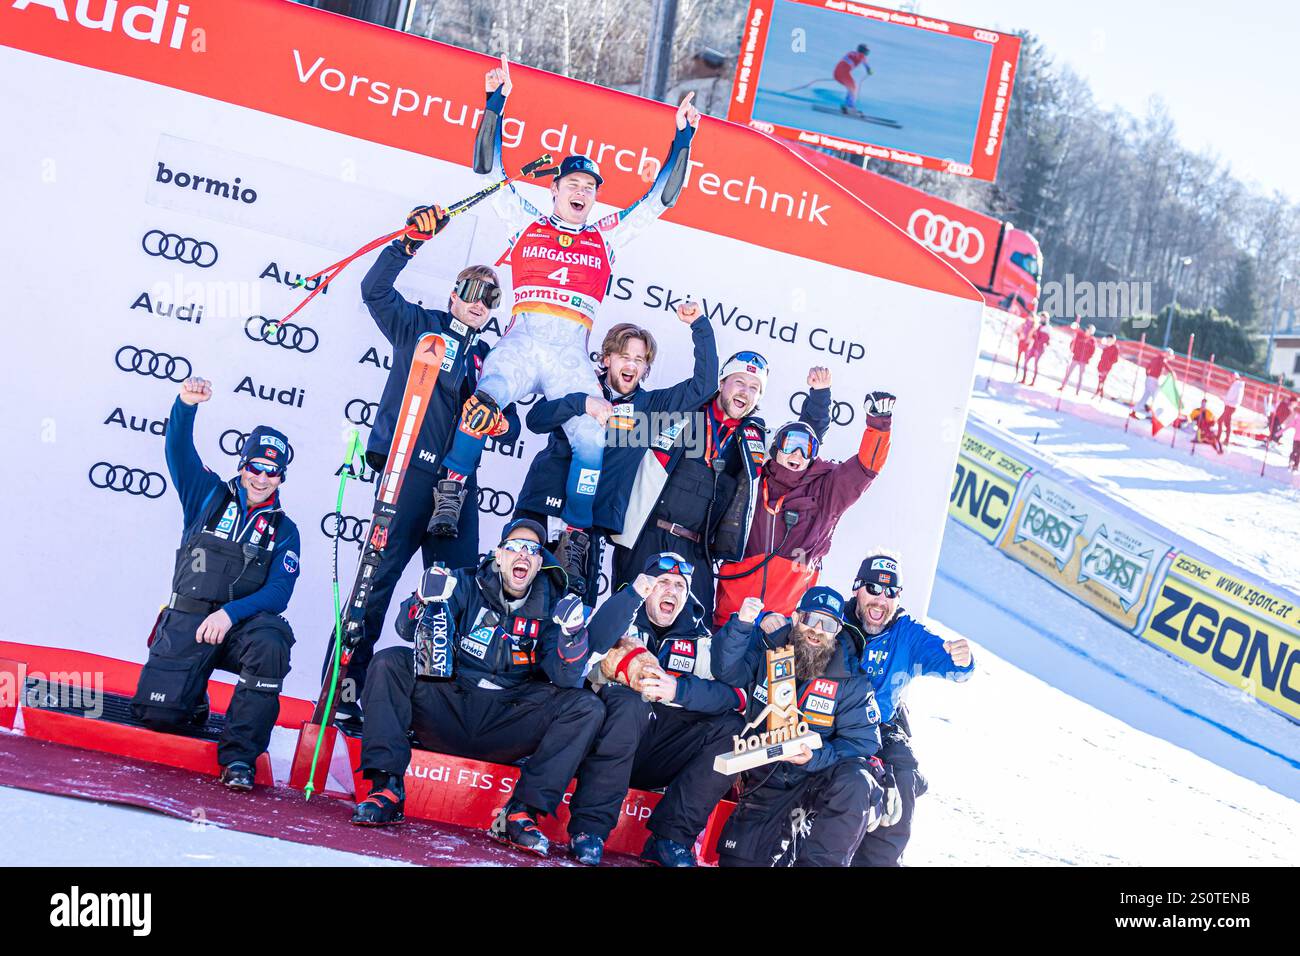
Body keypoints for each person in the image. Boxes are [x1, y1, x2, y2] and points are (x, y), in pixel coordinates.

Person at [432, 54, 702, 591]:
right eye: (573, 183)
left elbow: (660, 201)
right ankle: (452, 491)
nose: (582, 192)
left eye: (590, 186)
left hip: (570, 353)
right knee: (481, 404)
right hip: (525, 338)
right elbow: (487, 170)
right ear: (555, 189)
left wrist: (683, 141)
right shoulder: (525, 220)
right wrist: (494, 102)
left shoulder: (604, 233)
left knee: (591, 442)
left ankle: (576, 538)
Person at [321, 205, 519, 728]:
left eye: (490, 297)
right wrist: (409, 241)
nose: (480, 303)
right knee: (375, 584)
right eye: (471, 292)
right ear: (454, 295)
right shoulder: (419, 326)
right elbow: (375, 291)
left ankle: (426, 711)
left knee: (452, 593)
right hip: (407, 474)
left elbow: (512, 425)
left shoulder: (492, 359)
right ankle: (339, 697)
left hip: (456, 487)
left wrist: (500, 425)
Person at [350, 518, 600, 857]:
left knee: (586, 706)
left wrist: (572, 637)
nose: (522, 556)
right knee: (391, 661)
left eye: (532, 550)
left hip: (507, 719)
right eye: (513, 547)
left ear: (540, 562)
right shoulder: (465, 583)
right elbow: (407, 631)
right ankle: (387, 790)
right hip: (450, 704)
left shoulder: (553, 604)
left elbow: (566, 678)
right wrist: (421, 599)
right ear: (498, 556)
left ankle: (521, 814)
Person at [130, 377, 300, 791]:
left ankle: (240, 757)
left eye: (272, 472)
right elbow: (178, 451)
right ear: (242, 465)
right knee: (158, 716)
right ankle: (192, 700)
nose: (261, 479)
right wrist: (185, 405)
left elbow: (279, 592)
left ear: (281, 477)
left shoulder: (285, 529)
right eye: (255, 467)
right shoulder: (206, 494)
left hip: (239, 629)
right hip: (189, 619)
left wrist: (230, 614)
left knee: (273, 640)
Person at [514, 301, 718, 600]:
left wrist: (700, 325)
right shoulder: (579, 385)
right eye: (624, 356)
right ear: (607, 358)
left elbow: (704, 386)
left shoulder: (650, 410)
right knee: (514, 596)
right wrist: (582, 403)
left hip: (588, 527)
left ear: (647, 368)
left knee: (572, 617)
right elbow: (536, 420)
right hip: (541, 509)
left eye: (639, 359)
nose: (632, 365)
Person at [611, 353, 828, 620]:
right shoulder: (686, 410)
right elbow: (619, 435)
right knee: (626, 624)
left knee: (693, 632)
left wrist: (819, 398)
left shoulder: (753, 439)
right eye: (739, 382)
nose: (745, 392)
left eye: (754, 388)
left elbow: (798, 442)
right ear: (722, 382)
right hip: (649, 537)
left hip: (698, 551)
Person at [564, 553, 746, 866]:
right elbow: (587, 659)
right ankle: (589, 830)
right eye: (663, 582)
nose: (671, 591)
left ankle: (671, 839)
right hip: (603, 746)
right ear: (647, 587)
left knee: (732, 731)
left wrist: (679, 690)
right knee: (627, 701)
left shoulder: (701, 639)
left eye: (679, 585)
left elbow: (734, 697)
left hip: (659, 752)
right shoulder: (621, 619)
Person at [711, 587, 891, 867]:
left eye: (828, 624)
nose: (818, 630)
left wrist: (815, 756)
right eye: (812, 619)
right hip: (769, 779)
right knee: (737, 861)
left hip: (817, 779)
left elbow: (863, 742)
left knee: (857, 781)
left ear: (837, 631)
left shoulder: (850, 677)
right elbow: (725, 670)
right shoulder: (768, 647)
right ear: (796, 618)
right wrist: (742, 624)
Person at [712, 371, 895, 627]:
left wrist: (879, 424)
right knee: (718, 665)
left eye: (806, 447)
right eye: (790, 445)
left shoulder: (826, 490)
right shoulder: (751, 479)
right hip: (732, 616)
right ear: (774, 449)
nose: (797, 452)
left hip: (784, 627)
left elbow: (866, 468)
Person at [845, 551, 975, 867]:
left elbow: (956, 669)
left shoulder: (908, 634)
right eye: (873, 588)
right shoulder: (835, 618)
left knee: (903, 780)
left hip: (883, 727)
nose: (881, 599)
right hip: (834, 722)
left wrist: (963, 659)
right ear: (857, 588)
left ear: (899, 597)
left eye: (891, 592)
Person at [833, 43, 873, 114]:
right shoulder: (861, 55)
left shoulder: (851, 53)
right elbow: (864, 62)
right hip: (843, 73)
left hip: (836, 73)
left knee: (851, 88)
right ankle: (849, 107)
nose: (867, 53)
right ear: (863, 51)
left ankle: (846, 106)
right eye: (866, 51)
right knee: (852, 87)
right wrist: (869, 69)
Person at [1059, 322, 1096, 395]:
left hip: (1084, 361)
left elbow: (1092, 351)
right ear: (1087, 329)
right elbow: (1073, 343)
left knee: (1081, 376)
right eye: (1089, 329)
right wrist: (1072, 350)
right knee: (1069, 372)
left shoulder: (1092, 340)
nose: (1090, 331)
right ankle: (1063, 386)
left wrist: (1087, 358)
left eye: (1091, 330)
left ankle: (1077, 391)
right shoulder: (1080, 335)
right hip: (1076, 357)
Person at [1135, 347, 1174, 415]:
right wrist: (1172, 372)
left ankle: (1137, 408)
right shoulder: (1162, 359)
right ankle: (1153, 413)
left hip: (1149, 378)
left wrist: (1148, 375)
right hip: (1154, 379)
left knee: (1146, 394)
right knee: (1155, 396)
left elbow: (1147, 367)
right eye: (1168, 355)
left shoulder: (1155, 358)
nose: (1169, 356)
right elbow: (1166, 366)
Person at [1019, 313, 1050, 386]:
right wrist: (1033, 335)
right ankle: (1024, 378)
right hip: (1034, 347)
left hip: (1039, 349)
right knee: (1026, 361)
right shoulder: (1039, 326)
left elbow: (1046, 340)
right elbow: (1034, 336)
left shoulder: (1047, 328)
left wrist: (1041, 342)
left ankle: (1033, 382)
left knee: (1035, 364)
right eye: (1041, 318)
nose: (1042, 319)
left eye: (1044, 318)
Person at [1218, 372, 1245, 447]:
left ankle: (1219, 438)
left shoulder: (1236, 385)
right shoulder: (1237, 385)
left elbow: (1231, 398)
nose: (1229, 379)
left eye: (1230, 377)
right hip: (1230, 406)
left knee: (1220, 421)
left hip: (1231, 406)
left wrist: (1223, 398)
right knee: (1227, 422)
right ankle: (1226, 440)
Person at [1094, 333, 1120, 399]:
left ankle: (1099, 392)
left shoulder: (1115, 348)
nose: (1108, 340)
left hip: (1107, 367)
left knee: (1102, 380)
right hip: (1101, 365)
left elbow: (1115, 359)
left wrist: (1109, 362)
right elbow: (1102, 356)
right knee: (1100, 380)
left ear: (1113, 340)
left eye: (1109, 339)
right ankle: (1099, 392)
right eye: (1107, 339)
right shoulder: (1106, 347)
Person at [1012, 311, 1037, 381]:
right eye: (1029, 316)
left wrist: (1031, 341)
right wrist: (1020, 336)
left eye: (1032, 316)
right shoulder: (1023, 324)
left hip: (1027, 345)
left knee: (1025, 362)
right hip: (1021, 343)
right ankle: (1016, 374)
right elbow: (1016, 331)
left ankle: (1024, 378)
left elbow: (1035, 337)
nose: (1030, 317)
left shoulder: (1034, 327)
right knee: (1018, 359)